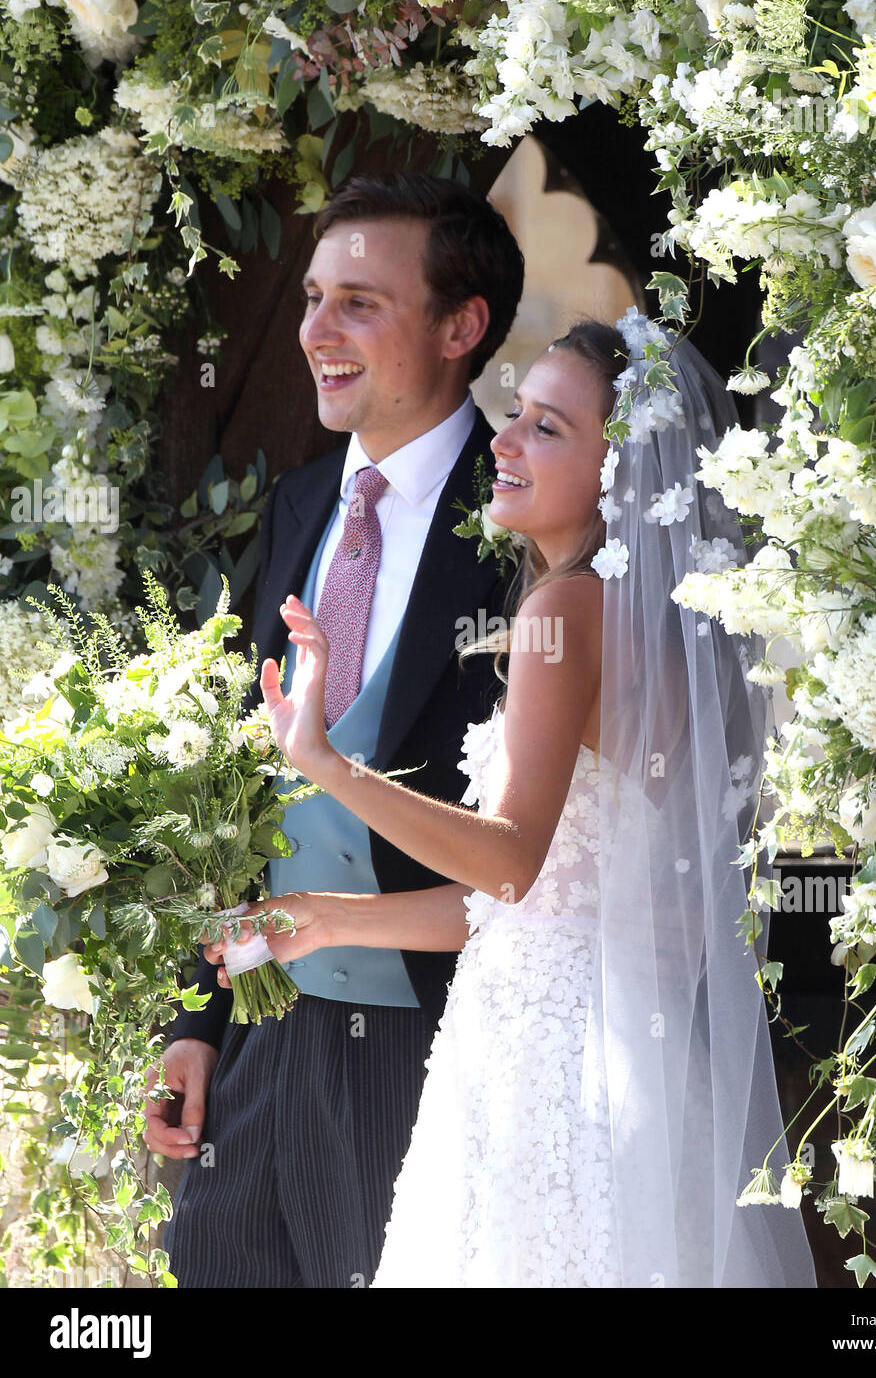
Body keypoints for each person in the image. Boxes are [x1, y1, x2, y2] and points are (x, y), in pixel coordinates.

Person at [208, 317, 818, 1287]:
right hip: (612, 1056)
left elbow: (511, 859)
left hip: (548, 1073)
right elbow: (528, 905)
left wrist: (324, 760)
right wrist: (324, 920)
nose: (503, 441)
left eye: (547, 428)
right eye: (517, 415)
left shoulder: (564, 614)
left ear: (620, 474)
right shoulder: (636, 625)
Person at [145, 173, 524, 1288]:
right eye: (311, 297)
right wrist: (198, 1018)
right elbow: (238, 785)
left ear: (462, 327)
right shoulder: (305, 502)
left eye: (359, 301)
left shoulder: (529, 531)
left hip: (428, 1045)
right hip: (263, 1029)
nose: (316, 331)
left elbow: (533, 852)